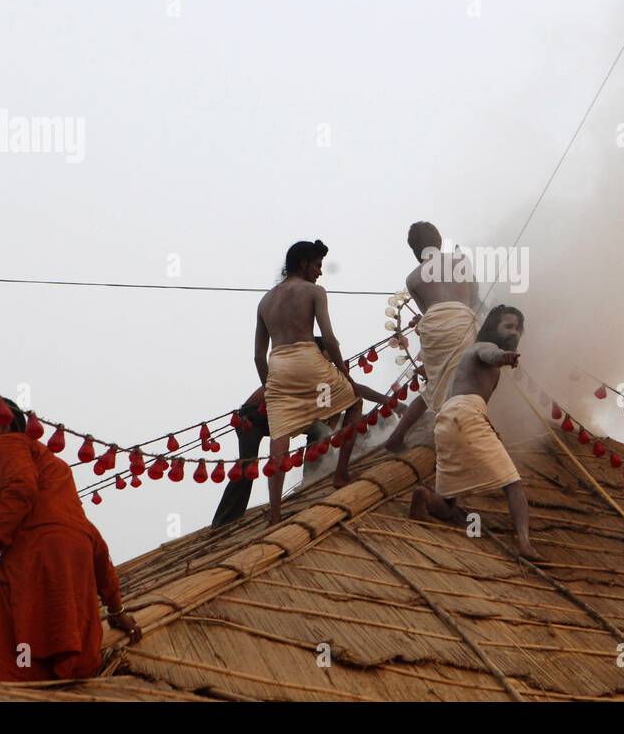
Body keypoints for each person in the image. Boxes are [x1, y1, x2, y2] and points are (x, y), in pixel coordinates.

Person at [0, 394, 141, 681]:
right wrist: (116, 610)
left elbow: (20, 490)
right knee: (58, 669)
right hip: (74, 571)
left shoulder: (9, 443)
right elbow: (93, 543)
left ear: (1, 427)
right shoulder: (55, 470)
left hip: (34, 564)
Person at [408, 305, 540, 559]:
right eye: (508, 326)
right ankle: (525, 544)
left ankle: (424, 496)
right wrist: (504, 357)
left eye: (517, 328)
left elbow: (461, 400)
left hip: (447, 420)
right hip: (466, 414)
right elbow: (491, 356)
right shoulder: (484, 347)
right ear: (493, 329)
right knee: (513, 484)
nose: (514, 332)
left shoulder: (470, 356)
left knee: (448, 505)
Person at [212, 339, 388, 527]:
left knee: (320, 431)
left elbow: (333, 405)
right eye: (331, 352)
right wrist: (387, 400)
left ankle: (311, 483)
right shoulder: (306, 367)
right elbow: (352, 391)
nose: (335, 357)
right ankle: (224, 521)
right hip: (253, 418)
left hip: (287, 415)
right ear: (320, 353)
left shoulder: (324, 376)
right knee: (247, 467)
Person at [255, 239, 363, 525]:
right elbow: (327, 338)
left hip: (277, 365)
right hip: (307, 357)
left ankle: (275, 514)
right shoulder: (314, 291)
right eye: (317, 265)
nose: (319, 272)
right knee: (354, 402)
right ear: (303, 263)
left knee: (280, 440)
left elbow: (257, 356)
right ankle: (341, 473)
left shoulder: (265, 301)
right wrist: (344, 373)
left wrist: (272, 391)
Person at [384, 222, 480, 454]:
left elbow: (428, 312)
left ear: (415, 251)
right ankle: (468, 430)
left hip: (434, 328)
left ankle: (397, 436)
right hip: (461, 321)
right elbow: (475, 298)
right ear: (439, 240)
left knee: (435, 386)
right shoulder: (460, 261)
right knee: (471, 377)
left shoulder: (412, 278)